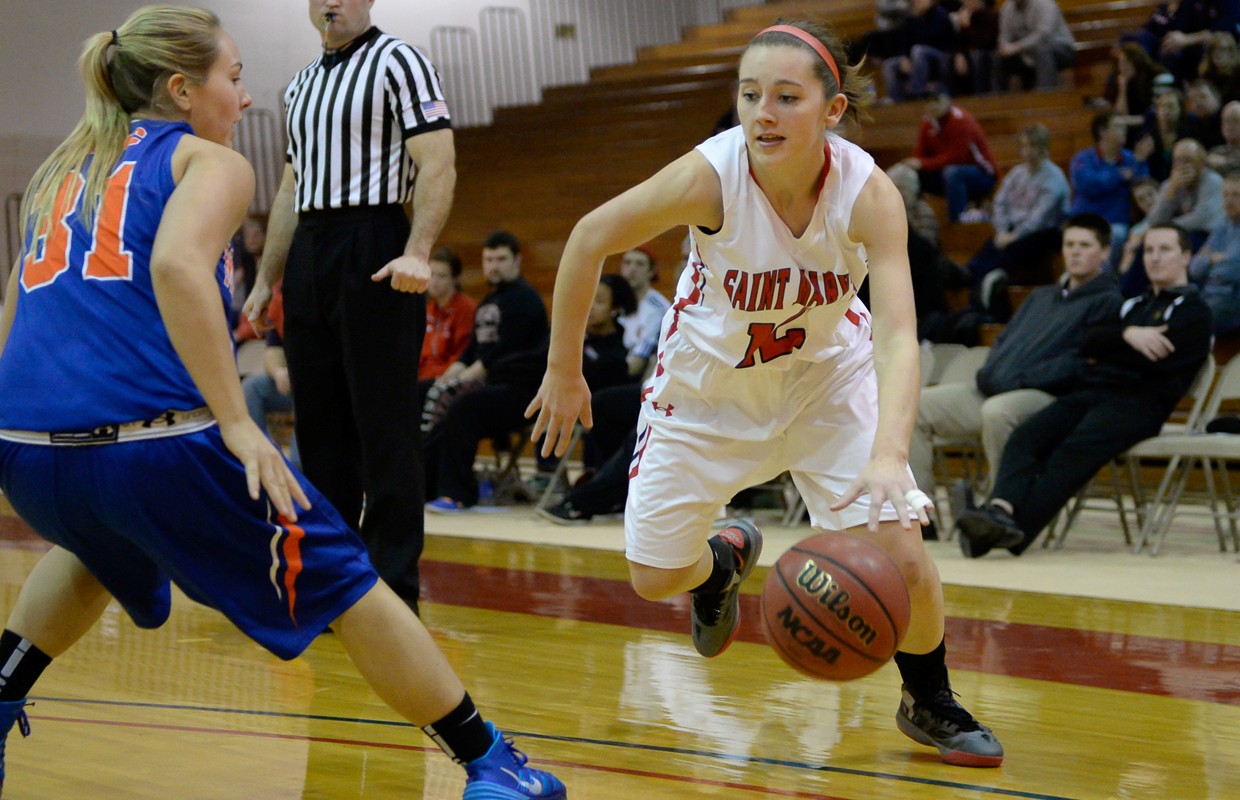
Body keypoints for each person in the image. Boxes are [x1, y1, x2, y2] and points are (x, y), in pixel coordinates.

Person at [0, 8, 565, 799]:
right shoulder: (210, 163)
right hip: (148, 448)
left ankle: (1, 689)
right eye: (234, 78)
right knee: (348, 579)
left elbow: (14, 311)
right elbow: (176, 266)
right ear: (182, 90)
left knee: (97, 547)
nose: (246, 98)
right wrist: (238, 426)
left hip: (26, 456)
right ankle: (493, 764)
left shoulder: (68, 166)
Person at [527, 20, 1003, 767]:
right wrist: (563, 369)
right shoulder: (710, 177)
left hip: (826, 382)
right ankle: (720, 565)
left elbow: (899, 336)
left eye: (786, 97)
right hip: (709, 389)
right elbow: (590, 236)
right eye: (751, 95)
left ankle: (930, 697)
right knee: (653, 576)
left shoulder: (868, 193)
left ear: (832, 110)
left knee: (902, 550)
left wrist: (887, 456)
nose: (763, 113)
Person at [244, 0, 454, 613]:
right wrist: (267, 279)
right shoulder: (302, 83)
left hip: (375, 241)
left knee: (384, 425)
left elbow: (437, 162)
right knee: (320, 430)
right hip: (310, 248)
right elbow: (291, 185)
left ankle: (392, 592)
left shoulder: (401, 62)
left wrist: (419, 250)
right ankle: (334, 586)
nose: (329, 3)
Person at [956, 223, 1213, 556]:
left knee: (1070, 453)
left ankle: (1007, 530)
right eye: (1149, 250)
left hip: (1140, 404)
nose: (1155, 258)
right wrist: (1127, 336)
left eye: (1165, 250)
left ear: (1186, 256)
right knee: (1026, 436)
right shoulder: (1132, 305)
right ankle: (1000, 511)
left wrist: (1114, 343)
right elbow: (1088, 342)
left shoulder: (1194, 311)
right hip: (1093, 392)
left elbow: (1158, 366)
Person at [909, 213, 1124, 537]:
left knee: (999, 412)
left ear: (1105, 252)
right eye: (1069, 245)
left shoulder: (1108, 302)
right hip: (995, 387)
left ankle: (999, 514)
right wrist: (992, 374)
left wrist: (1019, 380)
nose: (1075, 252)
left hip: (1047, 397)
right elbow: (1003, 344)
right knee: (916, 406)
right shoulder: (1041, 296)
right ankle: (919, 518)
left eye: (1085, 245)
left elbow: (1081, 363)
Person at [426, 274, 632, 511]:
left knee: (466, 407)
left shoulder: (614, 353)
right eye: (588, 299)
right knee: (450, 408)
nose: (590, 307)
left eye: (599, 301)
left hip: (544, 402)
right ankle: (426, 486)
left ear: (616, 308)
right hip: (522, 389)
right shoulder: (566, 333)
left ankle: (456, 495)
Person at [964, 123, 1071, 289]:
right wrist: (1002, 231)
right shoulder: (1017, 173)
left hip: (1045, 232)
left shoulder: (1054, 177)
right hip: (1014, 229)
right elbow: (1000, 203)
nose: (1026, 151)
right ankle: (969, 273)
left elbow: (1040, 218)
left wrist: (1015, 235)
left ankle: (985, 280)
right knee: (991, 245)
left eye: (1031, 146)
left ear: (1043, 147)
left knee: (1013, 247)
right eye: (1024, 146)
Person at [897, 90, 1000, 222]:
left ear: (948, 102)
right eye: (929, 102)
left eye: (937, 101)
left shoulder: (961, 120)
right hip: (948, 172)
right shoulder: (928, 122)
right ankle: (913, 221)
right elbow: (919, 155)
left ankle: (956, 221)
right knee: (910, 174)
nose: (932, 106)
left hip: (984, 173)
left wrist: (922, 163)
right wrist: (915, 165)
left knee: (952, 173)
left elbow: (957, 158)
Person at [1070, 111, 1151, 258]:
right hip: (1087, 220)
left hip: (1117, 222)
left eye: (1124, 127)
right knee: (1077, 238)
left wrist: (1139, 162)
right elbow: (1087, 186)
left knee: (1117, 236)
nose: (1124, 130)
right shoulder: (1082, 158)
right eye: (1118, 127)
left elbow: (1143, 187)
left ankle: (1108, 279)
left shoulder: (1132, 159)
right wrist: (1119, 175)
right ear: (1102, 132)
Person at [240, 281, 301, 469]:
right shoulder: (280, 295)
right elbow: (272, 350)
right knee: (252, 387)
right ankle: (260, 458)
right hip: (292, 384)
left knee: (309, 393)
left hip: (324, 387)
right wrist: (278, 372)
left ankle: (299, 468)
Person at [1189, 169, 1240, 334]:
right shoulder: (1223, 226)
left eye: (1236, 195)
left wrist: (1210, 258)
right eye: (1225, 195)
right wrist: (1212, 260)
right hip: (1209, 294)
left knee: (1194, 320)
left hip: (1232, 299)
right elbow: (1194, 268)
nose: (1229, 200)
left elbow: (1232, 270)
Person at [419, 245, 477, 385]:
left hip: (446, 377)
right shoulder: (428, 309)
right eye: (431, 274)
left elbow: (463, 354)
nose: (434, 281)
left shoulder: (466, 308)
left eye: (442, 276)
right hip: (422, 377)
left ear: (455, 279)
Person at [881, 0, 957, 103]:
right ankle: (898, 102)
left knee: (918, 50)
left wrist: (919, 19)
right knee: (889, 65)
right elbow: (904, 41)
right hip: (917, 58)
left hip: (940, 56)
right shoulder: (912, 18)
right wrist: (904, 57)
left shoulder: (940, 14)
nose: (918, 2)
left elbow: (932, 39)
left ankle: (916, 93)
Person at [996, 0, 1076, 91]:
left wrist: (1018, 46)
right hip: (1025, 51)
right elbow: (1004, 36)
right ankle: (996, 100)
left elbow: (1043, 35)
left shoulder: (1045, 3)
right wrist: (1004, 47)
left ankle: (1044, 97)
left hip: (1060, 47)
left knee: (1042, 51)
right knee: (998, 57)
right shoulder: (1007, 7)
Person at [617, 246, 672, 379]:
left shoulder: (658, 308)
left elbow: (640, 361)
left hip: (640, 375)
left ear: (651, 271)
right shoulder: (615, 302)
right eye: (627, 263)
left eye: (639, 264)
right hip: (617, 364)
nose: (632, 268)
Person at [1206, 100, 1240, 173]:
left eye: (1235, 120)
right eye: (1226, 121)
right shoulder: (1215, 152)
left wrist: (1226, 163)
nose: (1230, 126)